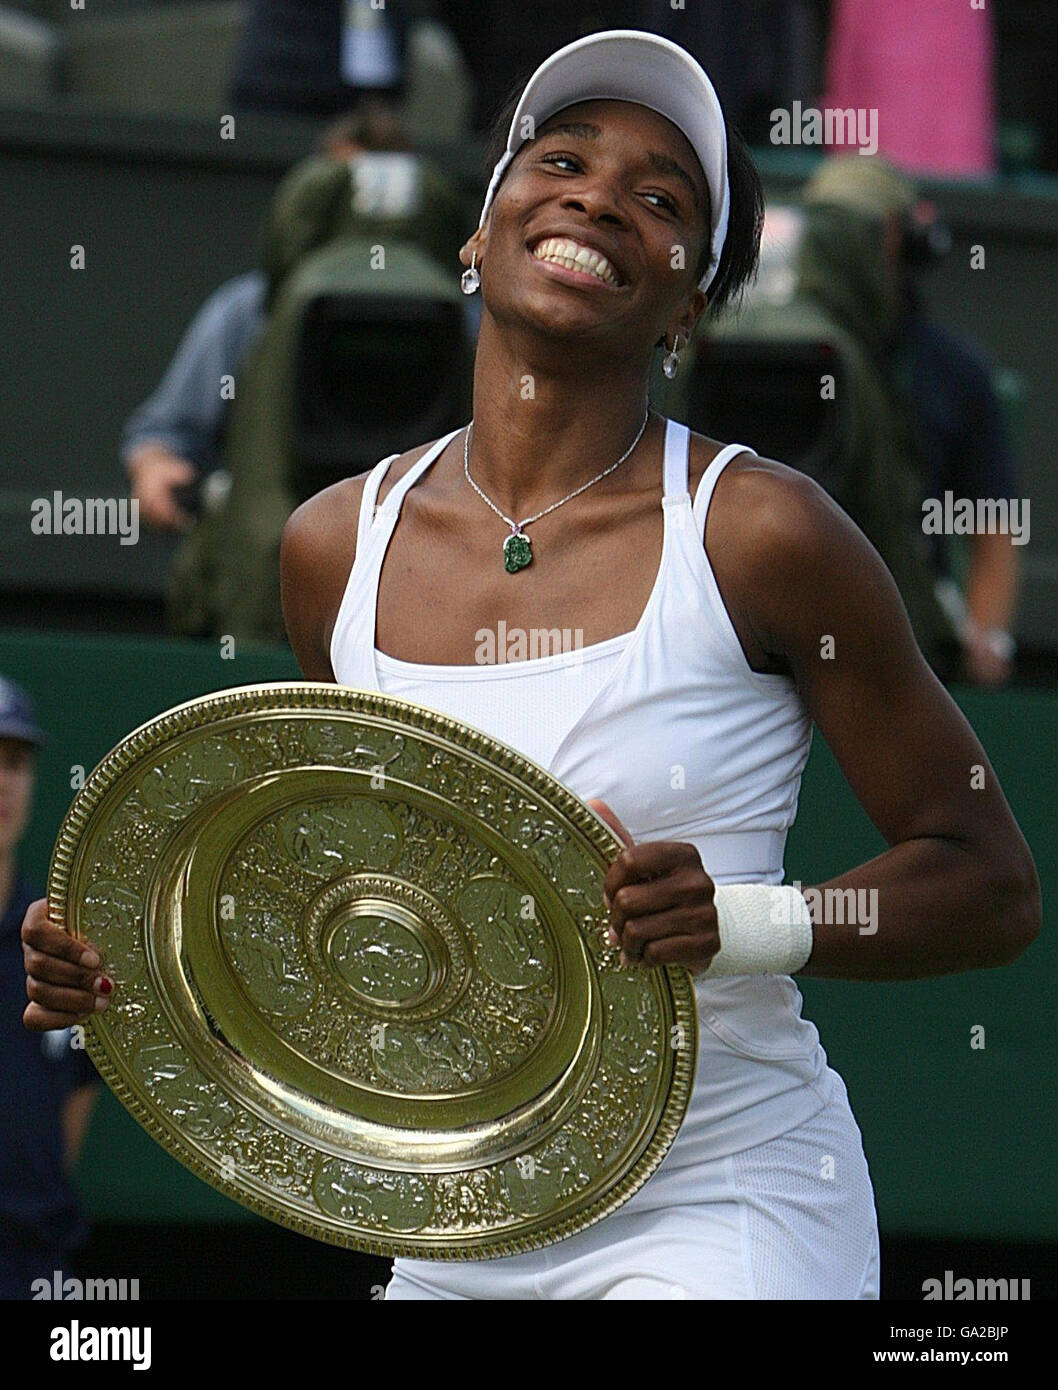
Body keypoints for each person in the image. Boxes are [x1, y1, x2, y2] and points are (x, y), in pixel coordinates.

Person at [23, 31, 1040, 1300]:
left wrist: (743, 922)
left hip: (724, 1199)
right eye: (558, 158)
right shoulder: (333, 548)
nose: (598, 195)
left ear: (688, 302)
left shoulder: (764, 532)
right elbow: (344, 919)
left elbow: (990, 884)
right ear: (478, 228)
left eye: (661, 199)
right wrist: (125, 970)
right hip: (461, 1215)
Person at [0, 679, 99, 1300]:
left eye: (12, 762)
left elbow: (76, 1097)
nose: (0, 782)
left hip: (36, 1271)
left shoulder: (61, 947)